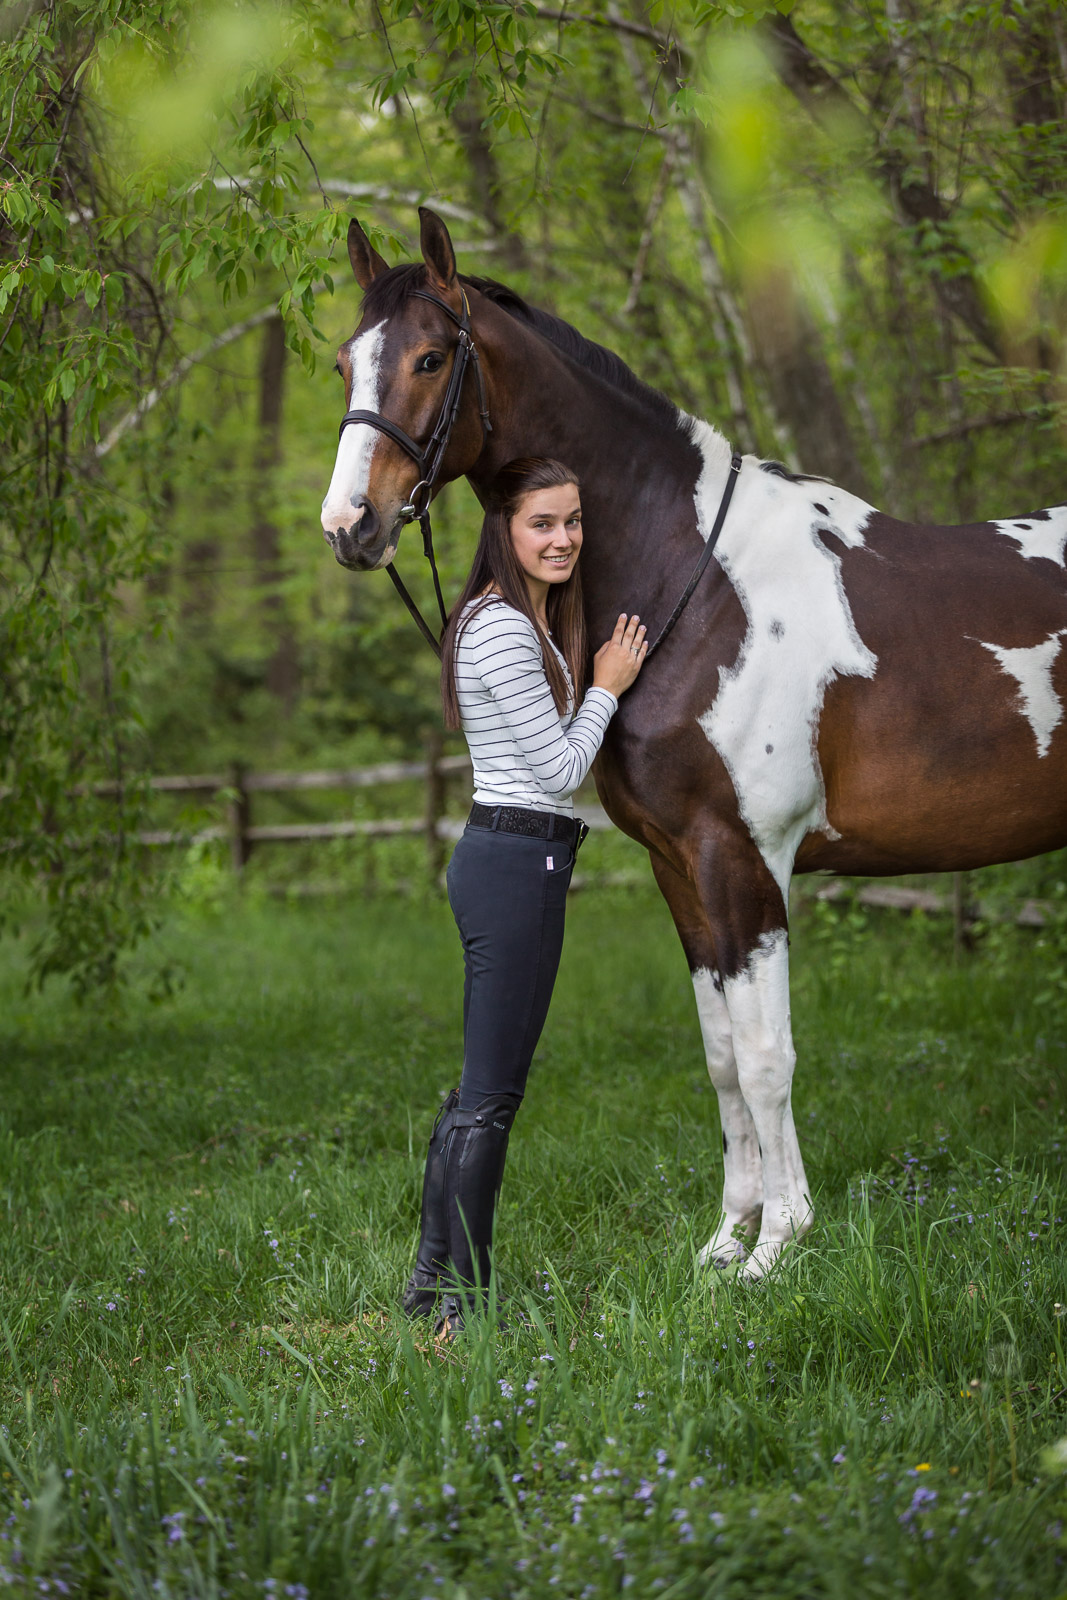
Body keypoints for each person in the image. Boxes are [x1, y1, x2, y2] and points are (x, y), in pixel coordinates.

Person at [402, 456, 648, 1337]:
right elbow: (558, 770)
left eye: (573, 520)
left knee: (478, 1091)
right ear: (504, 529)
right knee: (489, 1097)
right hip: (515, 864)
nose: (563, 538)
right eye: (542, 523)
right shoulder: (503, 628)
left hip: (511, 861)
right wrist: (608, 687)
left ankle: (432, 1287)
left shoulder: (518, 622)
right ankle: (462, 1307)